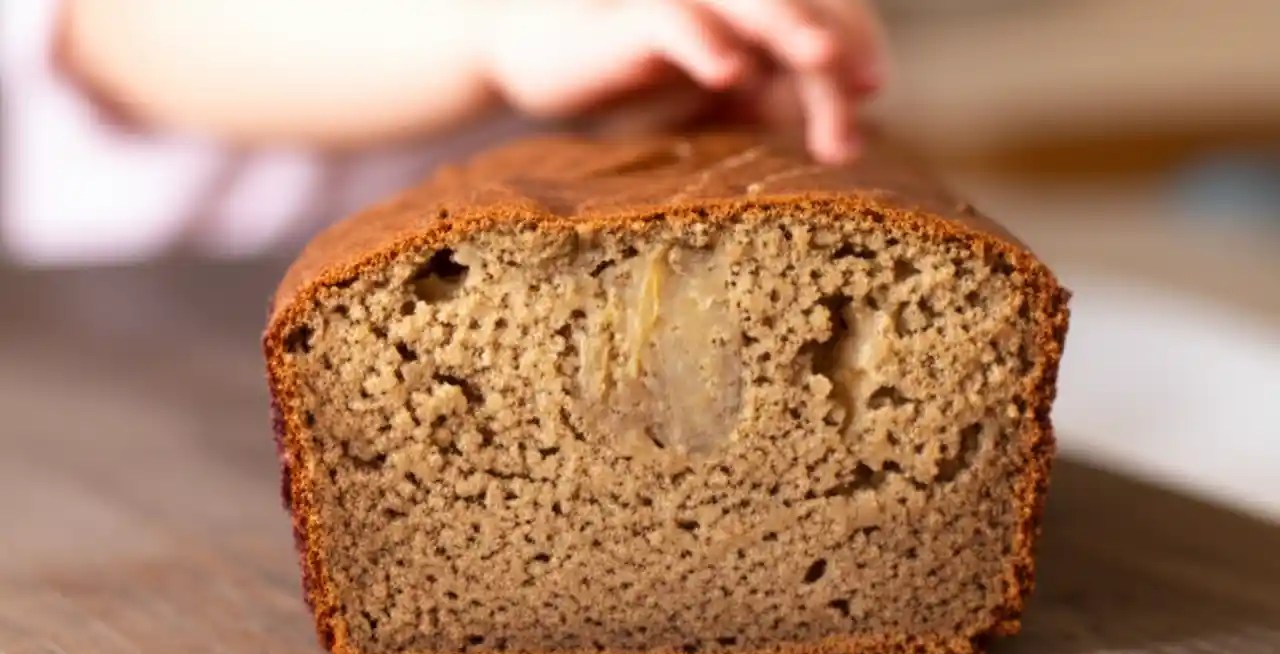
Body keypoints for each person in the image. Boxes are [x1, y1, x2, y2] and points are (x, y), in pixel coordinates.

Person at [1, 0, 887, 265]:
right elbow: (123, 32)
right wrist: (493, 36)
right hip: (142, 310)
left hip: (528, 268)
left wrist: (728, 54)